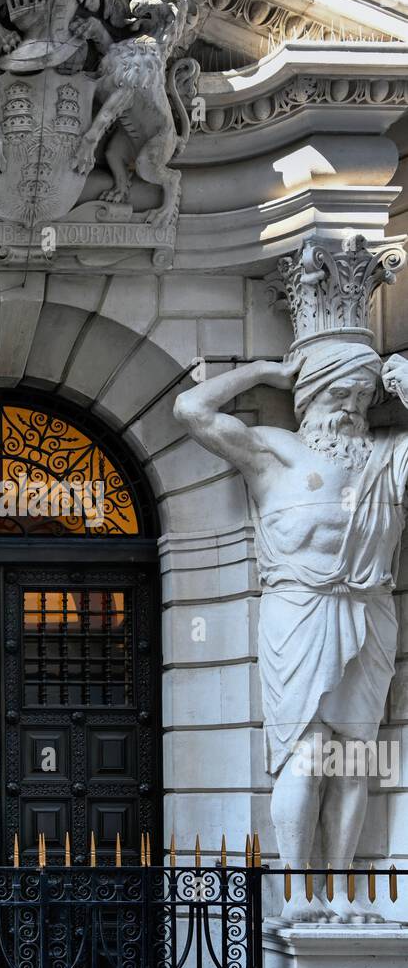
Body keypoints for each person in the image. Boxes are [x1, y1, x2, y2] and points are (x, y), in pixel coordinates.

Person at [174, 341, 408, 922]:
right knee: (308, 752)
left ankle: (339, 889)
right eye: (339, 391)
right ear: (308, 396)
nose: (352, 405)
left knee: (357, 754)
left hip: (370, 609)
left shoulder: (390, 456)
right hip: (299, 612)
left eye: (363, 394)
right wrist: (262, 371)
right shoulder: (278, 452)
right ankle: (299, 891)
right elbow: (191, 410)